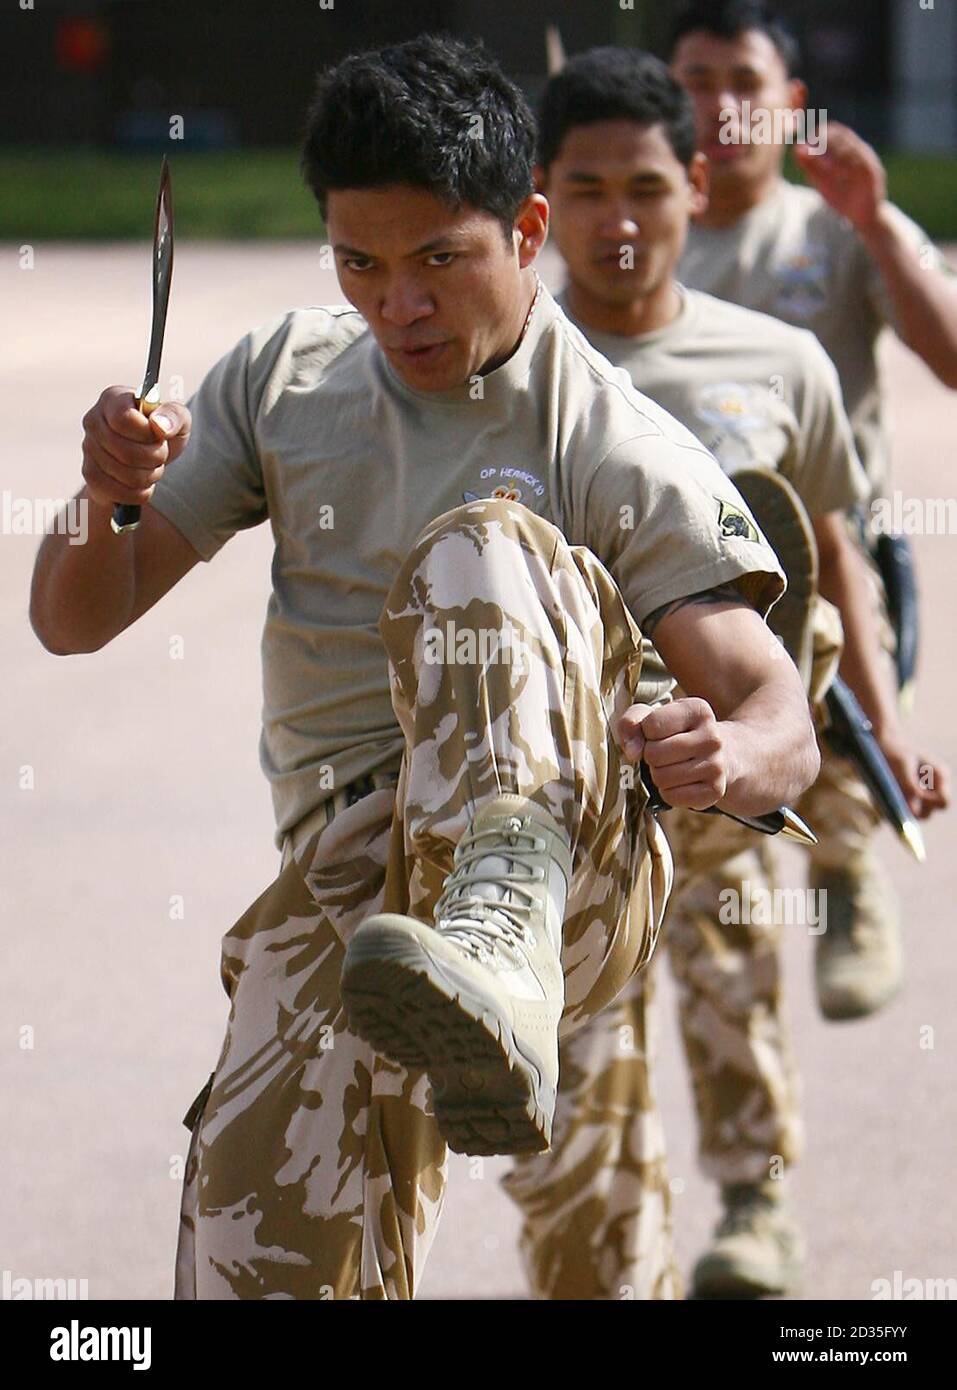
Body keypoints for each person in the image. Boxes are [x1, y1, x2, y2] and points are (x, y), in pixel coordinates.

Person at [29, 34, 819, 1301]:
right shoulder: (282, 380)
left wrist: (729, 752)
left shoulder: (607, 434)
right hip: (356, 897)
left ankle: (498, 937)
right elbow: (77, 619)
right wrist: (102, 498)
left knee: (484, 548)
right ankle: (452, 997)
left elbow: (779, 707)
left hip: (568, 880)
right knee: (255, 1256)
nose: (398, 305)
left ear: (525, 231)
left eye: (438, 261)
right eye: (362, 264)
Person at [511, 44, 949, 1300]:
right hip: (564, 784)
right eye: (584, 189)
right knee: (580, 1080)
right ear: (539, 198)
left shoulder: (780, 364)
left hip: (727, 758)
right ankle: (602, 1258)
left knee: (731, 979)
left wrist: (881, 733)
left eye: (645, 185)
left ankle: (757, 1211)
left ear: (697, 184)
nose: (618, 219)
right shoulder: (506, 375)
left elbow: (839, 568)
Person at [669, 0, 957, 1025]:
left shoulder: (831, 227)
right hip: (682, 569)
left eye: (742, 83)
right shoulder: (636, 245)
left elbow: (954, 357)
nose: (717, 106)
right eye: (694, 82)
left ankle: (847, 864)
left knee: (822, 584)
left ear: (789, 106)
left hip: (835, 553)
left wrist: (878, 224)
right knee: (711, 885)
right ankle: (754, 1169)